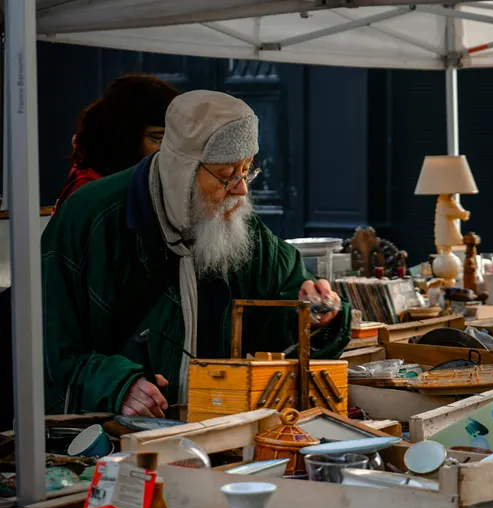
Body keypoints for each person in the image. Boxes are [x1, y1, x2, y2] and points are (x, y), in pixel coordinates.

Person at [41, 90, 351, 417]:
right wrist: (117, 386)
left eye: (246, 171)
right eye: (227, 174)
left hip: (219, 424)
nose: (241, 189)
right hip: (113, 439)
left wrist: (316, 314)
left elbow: (288, 290)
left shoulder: (237, 223)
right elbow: (48, 350)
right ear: (182, 170)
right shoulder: (91, 218)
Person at [52, 75, 179, 214]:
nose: (170, 150)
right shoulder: (93, 198)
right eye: (157, 138)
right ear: (124, 137)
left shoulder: (142, 186)